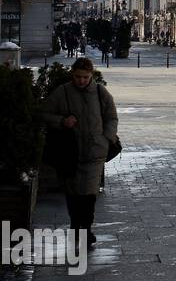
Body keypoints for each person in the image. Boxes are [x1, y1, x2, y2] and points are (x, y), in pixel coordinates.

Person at [41, 58, 118, 247]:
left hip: (94, 152)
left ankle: (86, 230)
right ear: (72, 75)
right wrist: (62, 121)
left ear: (91, 75)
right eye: (77, 77)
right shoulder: (63, 92)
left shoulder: (100, 92)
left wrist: (105, 138)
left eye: (85, 77)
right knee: (73, 193)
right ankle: (76, 226)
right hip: (70, 152)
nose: (81, 81)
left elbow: (111, 117)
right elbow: (44, 113)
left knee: (90, 194)